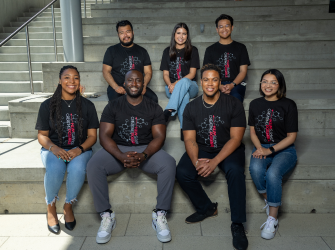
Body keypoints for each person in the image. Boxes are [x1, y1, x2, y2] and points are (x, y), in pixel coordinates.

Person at [87, 69, 176, 244]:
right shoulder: (113, 105)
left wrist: (144, 155)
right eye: (130, 81)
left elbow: (159, 137)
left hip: (145, 148)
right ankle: (107, 216)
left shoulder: (154, 107)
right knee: (93, 165)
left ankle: (159, 214)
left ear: (143, 84)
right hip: (118, 148)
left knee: (169, 163)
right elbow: (104, 136)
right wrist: (120, 155)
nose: (134, 84)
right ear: (124, 83)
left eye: (138, 81)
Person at [176, 64, 248, 250]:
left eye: (214, 79)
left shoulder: (234, 104)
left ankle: (238, 224)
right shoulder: (191, 108)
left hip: (228, 148)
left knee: (235, 170)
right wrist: (197, 162)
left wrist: (215, 162)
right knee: (183, 171)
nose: (210, 83)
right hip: (203, 148)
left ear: (219, 82)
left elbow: (236, 138)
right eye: (206, 79)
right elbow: (190, 139)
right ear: (200, 82)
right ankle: (207, 208)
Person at [35, 65, 99, 234]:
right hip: (53, 149)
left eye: (76, 78)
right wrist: (54, 148)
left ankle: (68, 206)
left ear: (79, 81)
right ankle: (50, 208)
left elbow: (93, 136)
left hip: (80, 149)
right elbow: (42, 135)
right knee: (55, 169)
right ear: (60, 81)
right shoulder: (47, 105)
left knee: (78, 169)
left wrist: (79, 149)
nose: (72, 81)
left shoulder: (87, 105)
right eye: (67, 77)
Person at [248, 69, 298, 240]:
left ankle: (273, 218)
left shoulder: (289, 104)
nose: (268, 85)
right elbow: (252, 132)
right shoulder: (254, 104)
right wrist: (259, 148)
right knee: (255, 168)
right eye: (264, 81)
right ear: (260, 84)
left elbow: (292, 137)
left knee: (273, 173)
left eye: (273, 82)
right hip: (261, 146)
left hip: (284, 149)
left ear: (280, 85)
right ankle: (271, 200)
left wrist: (270, 150)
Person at [102, 20, 158, 103]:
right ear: (118, 35)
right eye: (122, 33)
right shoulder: (111, 50)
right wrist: (116, 87)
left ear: (133, 32)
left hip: (137, 85)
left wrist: (144, 85)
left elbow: (148, 72)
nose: (125, 35)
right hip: (118, 85)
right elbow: (106, 71)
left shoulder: (142, 51)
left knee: (153, 98)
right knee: (116, 103)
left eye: (128, 32)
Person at [160, 23, 200, 138]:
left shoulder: (193, 50)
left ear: (187, 36)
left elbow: (192, 74)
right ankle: (184, 129)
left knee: (185, 83)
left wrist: (175, 83)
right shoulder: (167, 51)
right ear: (174, 34)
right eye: (178, 33)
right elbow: (165, 74)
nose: (181, 36)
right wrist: (170, 84)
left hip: (191, 85)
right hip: (170, 88)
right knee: (185, 95)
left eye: (184, 33)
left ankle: (169, 109)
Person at [203, 14, 250, 102]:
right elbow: (207, 72)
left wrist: (232, 85)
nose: (224, 29)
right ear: (217, 30)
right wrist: (219, 86)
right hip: (216, 83)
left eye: (227, 26)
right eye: (221, 27)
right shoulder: (210, 50)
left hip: (237, 83)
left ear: (232, 27)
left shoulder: (241, 47)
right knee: (213, 99)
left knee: (235, 97)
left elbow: (243, 71)